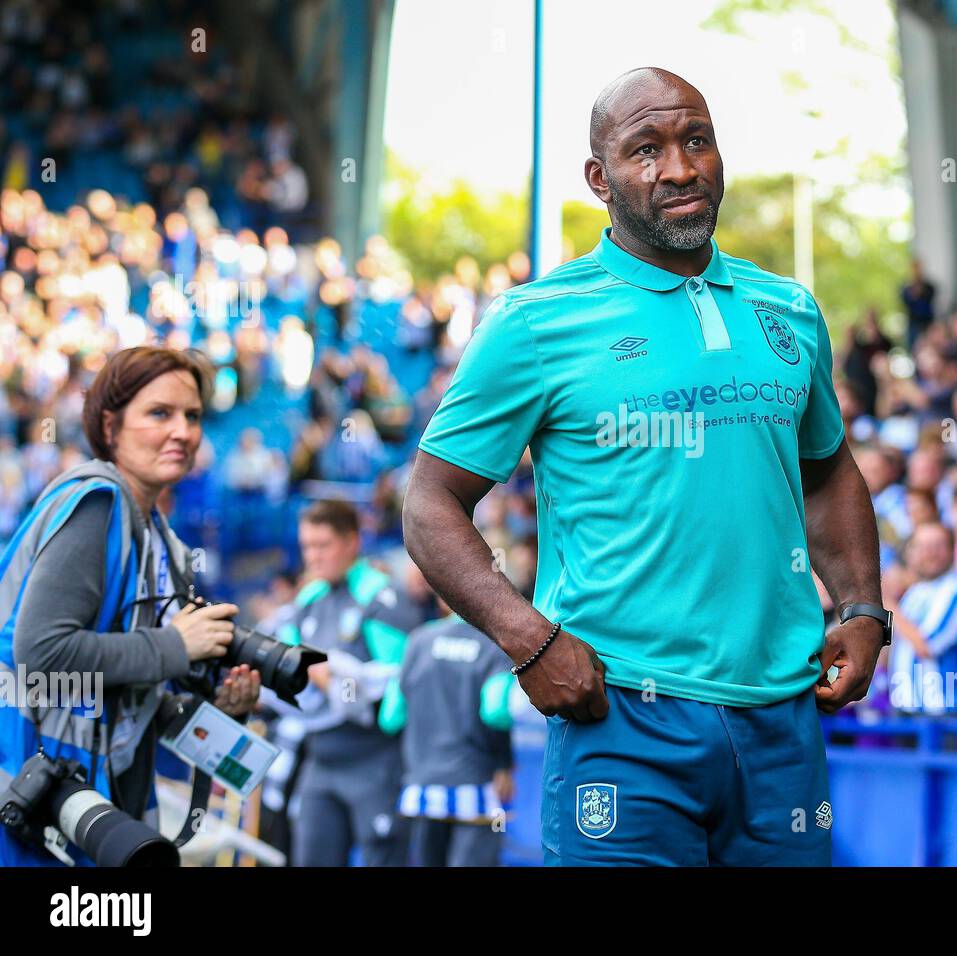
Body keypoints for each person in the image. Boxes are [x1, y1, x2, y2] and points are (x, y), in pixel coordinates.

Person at [404, 67, 887, 866]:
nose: (679, 167)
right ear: (600, 179)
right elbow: (429, 501)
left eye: (696, 140)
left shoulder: (789, 308)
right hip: (622, 718)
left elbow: (829, 471)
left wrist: (864, 609)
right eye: (645, 149)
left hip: (783, 720)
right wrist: (527, 638)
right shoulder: (536, 321)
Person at [0, 347, 260, 866]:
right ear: (110, 424)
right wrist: (174, 646)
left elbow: (124, 694)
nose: (183, 431)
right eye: (159, 413)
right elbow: (41, 653)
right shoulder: (96, 503)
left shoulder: (164, 542)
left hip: (102, 809)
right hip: (32, 801)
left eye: (193, 416)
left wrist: (217, 711)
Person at [276, 499, 421, 867]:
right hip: (320, 763)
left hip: (375, 764)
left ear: (353, 542)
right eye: (307, 546)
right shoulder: (308, 599)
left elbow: (405, 686)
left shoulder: (382, 598)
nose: (313, 557)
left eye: (323, 545)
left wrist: (341, 683)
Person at [395, 604, 515, 867]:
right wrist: (504, 763)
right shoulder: (496, 644)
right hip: (477, 784)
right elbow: (495, 711)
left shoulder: (418, 640)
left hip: (424, 785)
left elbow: (391, 717)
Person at [886, 522, 957, 714]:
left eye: (937, 546)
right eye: (921, 547)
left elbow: (928, 645)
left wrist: (888, 605)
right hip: (905, 709)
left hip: (948, 713)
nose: (929, 553)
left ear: (952, 550)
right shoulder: (913, 592)